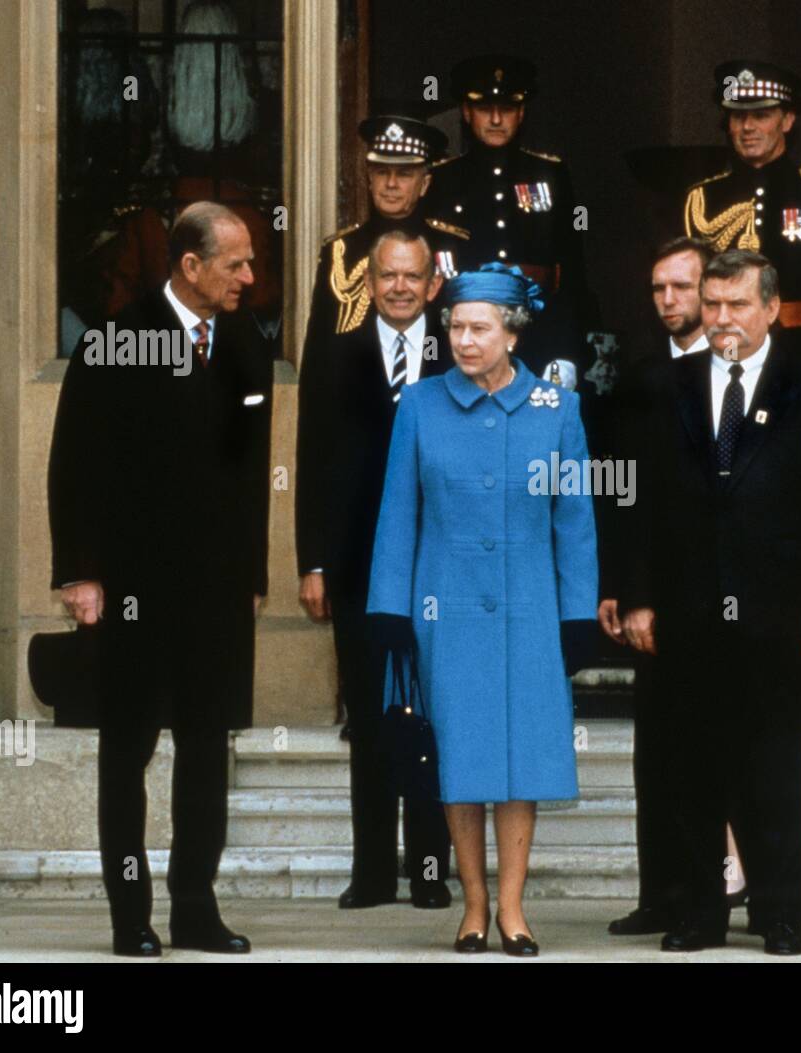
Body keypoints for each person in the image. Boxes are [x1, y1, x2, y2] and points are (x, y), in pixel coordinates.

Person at [47, 202, 272, 956]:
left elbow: (248, 474)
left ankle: (195, 908)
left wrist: (250, 573)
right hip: (134, 589)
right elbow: (73, 465)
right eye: (236, 263)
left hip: (215, 591)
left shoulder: (243, 340)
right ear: (190, 266)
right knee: (129, 750)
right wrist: (81, 577)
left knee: (208, 748)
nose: (249, 276)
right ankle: (130, 913)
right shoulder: (115, 340)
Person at [617, 250, 801, 955]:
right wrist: (636, 598)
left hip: (777, 616)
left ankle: (779, 912)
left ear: (772, 308)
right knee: (691, 767)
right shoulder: (664, 384)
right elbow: (634, 498)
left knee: (773, 768)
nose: (721, 319)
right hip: (686, 613)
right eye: (712, 304)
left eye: (737, 305)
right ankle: (699, 912)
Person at [366, 263, 599, 956]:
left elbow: (574, 520)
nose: (463, 341)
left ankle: (513, 908)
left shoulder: (558, 410)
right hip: (447, 607)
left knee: (521, 759)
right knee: (461, 757)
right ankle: (471, 905)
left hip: (530, 605)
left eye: (479, 328)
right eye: (455, 327)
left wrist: (578, 614)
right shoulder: (420, 405)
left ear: (512, 332)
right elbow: (397, 512)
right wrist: (390, 611)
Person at [295, 229, 454, 910]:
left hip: (441, 566)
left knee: (430, 716)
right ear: (368, 280)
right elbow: (313, 458)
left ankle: (427, 869)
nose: (398, 287)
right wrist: (314, 562)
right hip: (359, 565)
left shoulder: (460, 352)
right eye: (386, 275)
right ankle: (370, 872)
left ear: (432, 283)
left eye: (410, 276)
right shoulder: (337, 354)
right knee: (369, 712)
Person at [599, 236, 710, 938]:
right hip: (654, 598)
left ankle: (728, 892)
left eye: (681, 287)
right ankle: (660, 893)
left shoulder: (748, 375)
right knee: (658, 752)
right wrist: (622, 588)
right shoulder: (636, 381)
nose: (668, 300)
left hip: (730, 600)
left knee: (720, 751)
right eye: (658, 289)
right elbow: (619, 495)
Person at [682, 60, 801, 397]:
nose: (748, 127)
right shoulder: (704, 199)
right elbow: (689, 298)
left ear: (787, 120)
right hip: (725, 364)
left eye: (761, 116)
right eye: (738, 117)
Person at [427, 55, 593, 381]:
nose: (495, 119)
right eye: (484, 109)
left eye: (506, 109)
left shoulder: (551, 174)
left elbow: (571, 274)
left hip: (537, 334)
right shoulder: (442, 180)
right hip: (461, 340)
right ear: (465, 112)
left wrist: (568, 352)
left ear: (521, 113)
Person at [304, 107, 469, 356]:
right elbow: (319, 348)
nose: (391, 184)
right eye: (382, 172)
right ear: (369, 179)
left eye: (404, 174)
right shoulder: (340, 250)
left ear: (424, 184)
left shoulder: (452, 246)